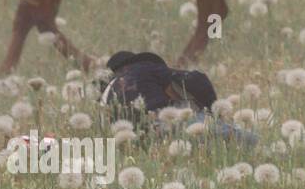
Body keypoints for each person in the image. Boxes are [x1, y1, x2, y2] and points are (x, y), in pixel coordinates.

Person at [99, 50, 257, 145]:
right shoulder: (145, 67)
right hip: (168, 125)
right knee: (249, 141)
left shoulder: (106, 92)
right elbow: (196, 79)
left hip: (134, 142)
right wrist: (213, 111)